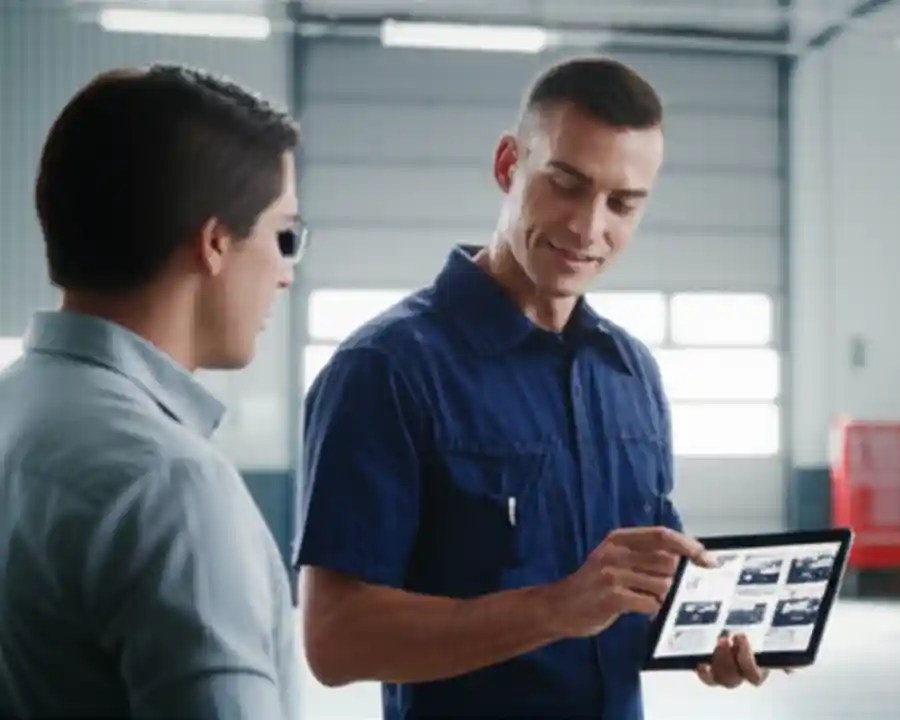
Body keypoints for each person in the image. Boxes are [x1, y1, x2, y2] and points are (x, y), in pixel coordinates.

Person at [296, 56, 775, 718]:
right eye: (566, 185)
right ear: (508, 165)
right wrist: (556, 608)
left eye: (622, 204)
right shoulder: (386, 370)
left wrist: (706, 638)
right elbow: (335, 640)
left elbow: (641, 594)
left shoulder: (630, 372)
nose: (588, 227)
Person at [0, 64, 304, 719]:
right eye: (284, 235)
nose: (286, 274)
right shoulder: (169, 484)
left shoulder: (14, 412)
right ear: (215, 243)